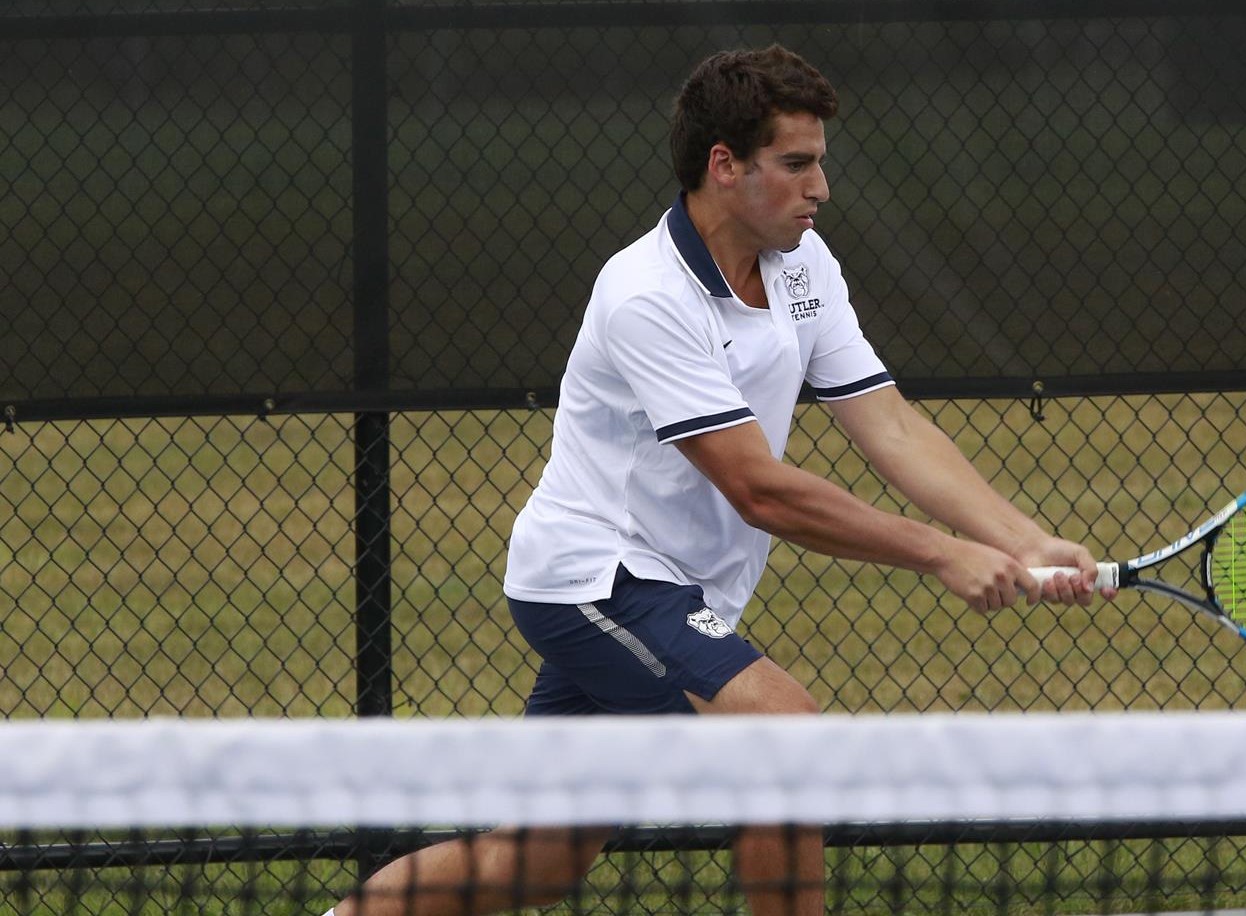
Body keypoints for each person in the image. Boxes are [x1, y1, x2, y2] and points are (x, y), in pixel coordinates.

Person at [326, 44, 1112, 916]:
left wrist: (1021, 538)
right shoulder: (646, 296)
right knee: (782, 740)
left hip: (678, 588)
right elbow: (759, 489)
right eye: (797, 164)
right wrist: (940, 554)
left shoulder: (807, 269)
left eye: (821, 163)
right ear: (724, 166)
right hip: (598, 579)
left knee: (541, 858)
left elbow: (888, 423)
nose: (821, 188)